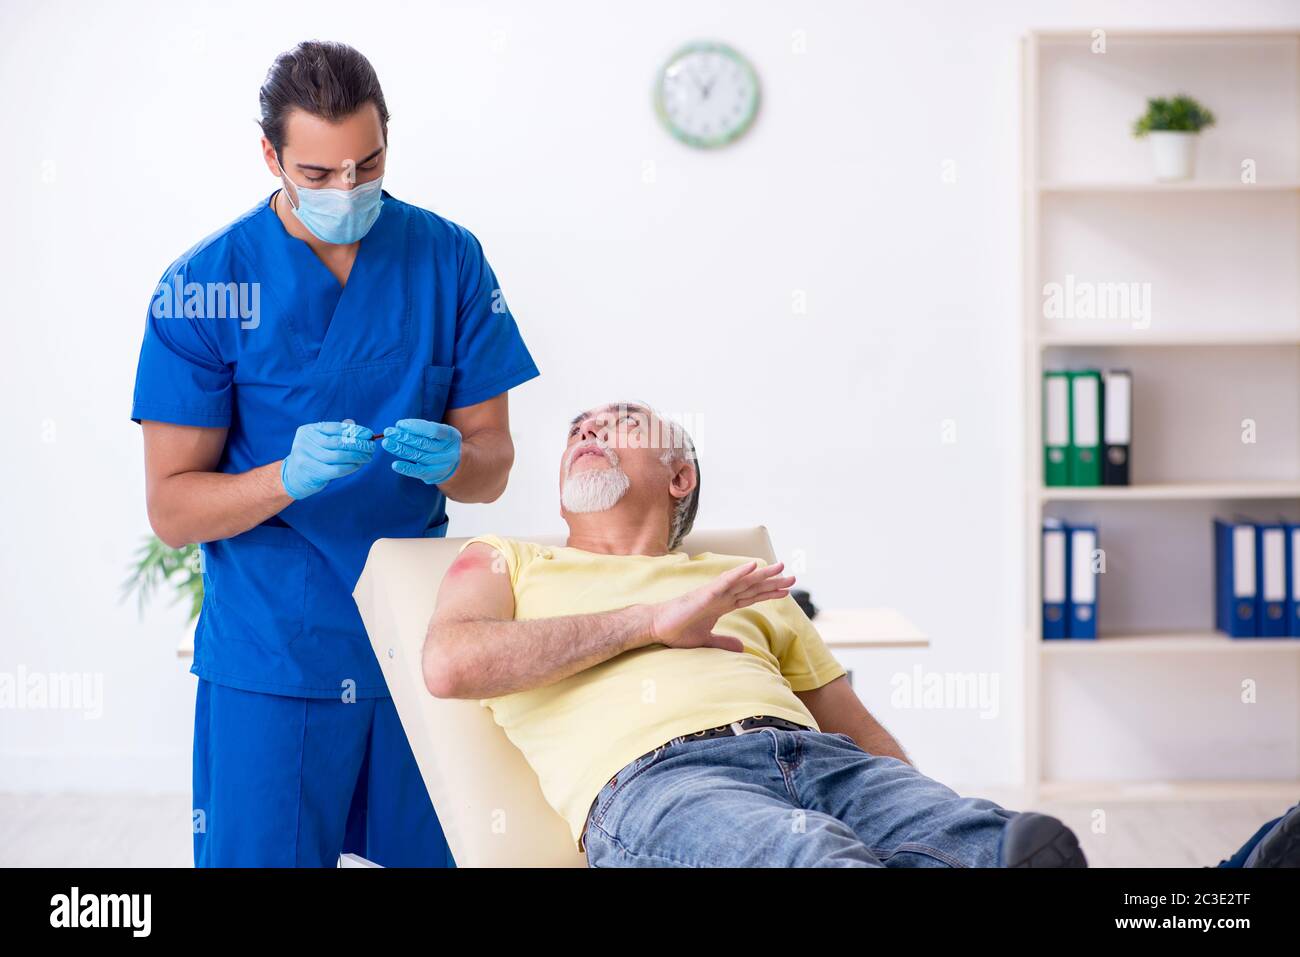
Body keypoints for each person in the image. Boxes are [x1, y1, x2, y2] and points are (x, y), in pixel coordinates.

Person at [131, 41, 540, 867]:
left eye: (367, 165)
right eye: (317, 175)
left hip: (421, 638)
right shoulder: (207, 285)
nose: (347, 191)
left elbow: (493, 468)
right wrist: (285, 477)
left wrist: (455, 458)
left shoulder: (448, 258)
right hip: (276, 646)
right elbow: (172, 510)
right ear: (270, 156)